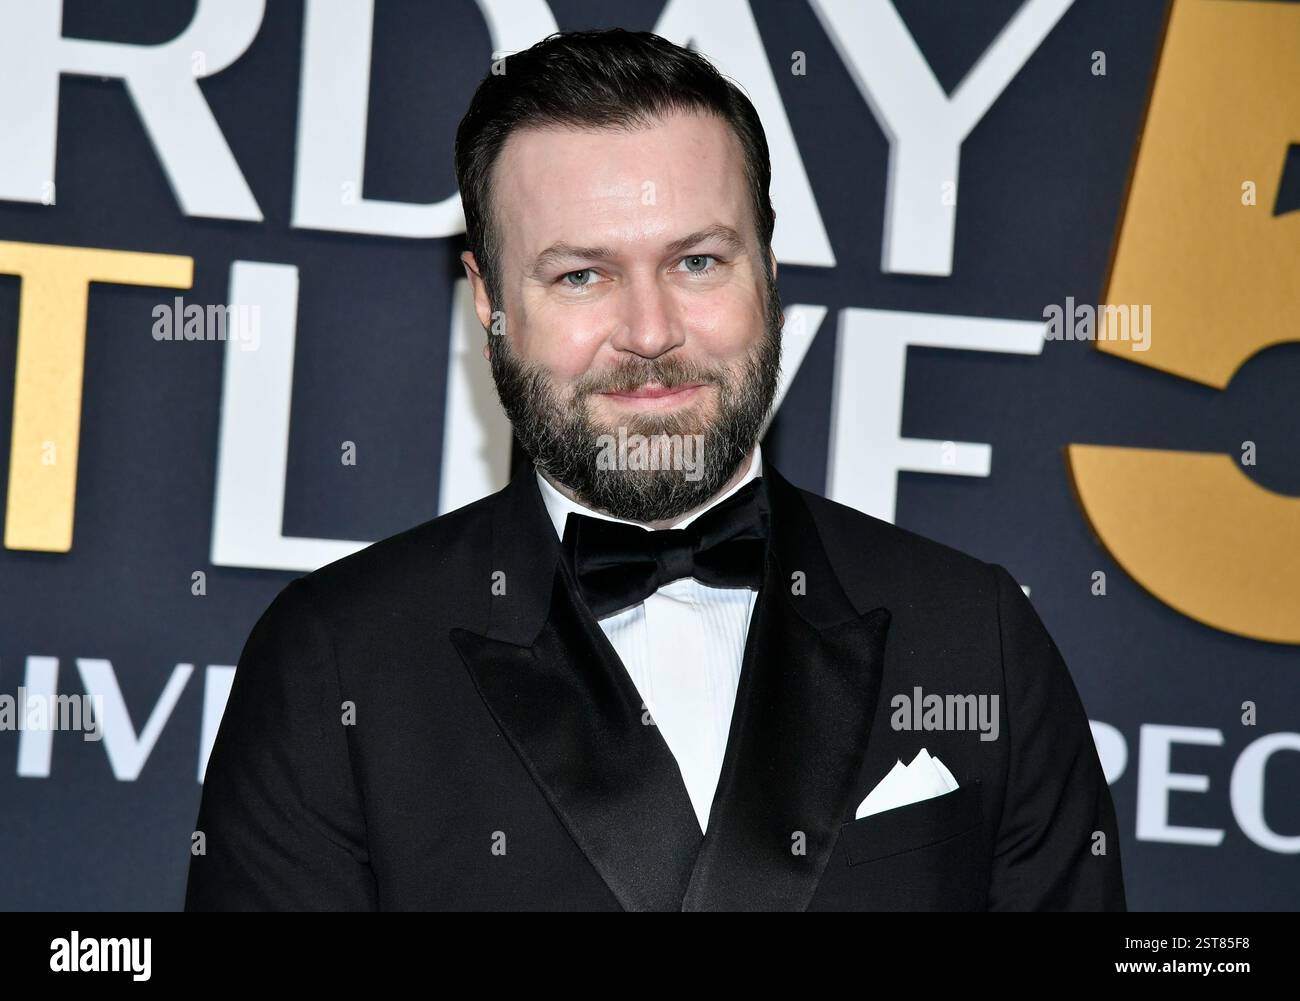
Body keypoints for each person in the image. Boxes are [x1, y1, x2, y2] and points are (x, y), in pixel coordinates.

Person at [185, 28, 1125, 911]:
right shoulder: (337, 658)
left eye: (699, 261)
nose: (649, 332)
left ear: (768, 267)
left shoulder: (975, 637)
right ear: (488, 298)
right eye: (580, 276)